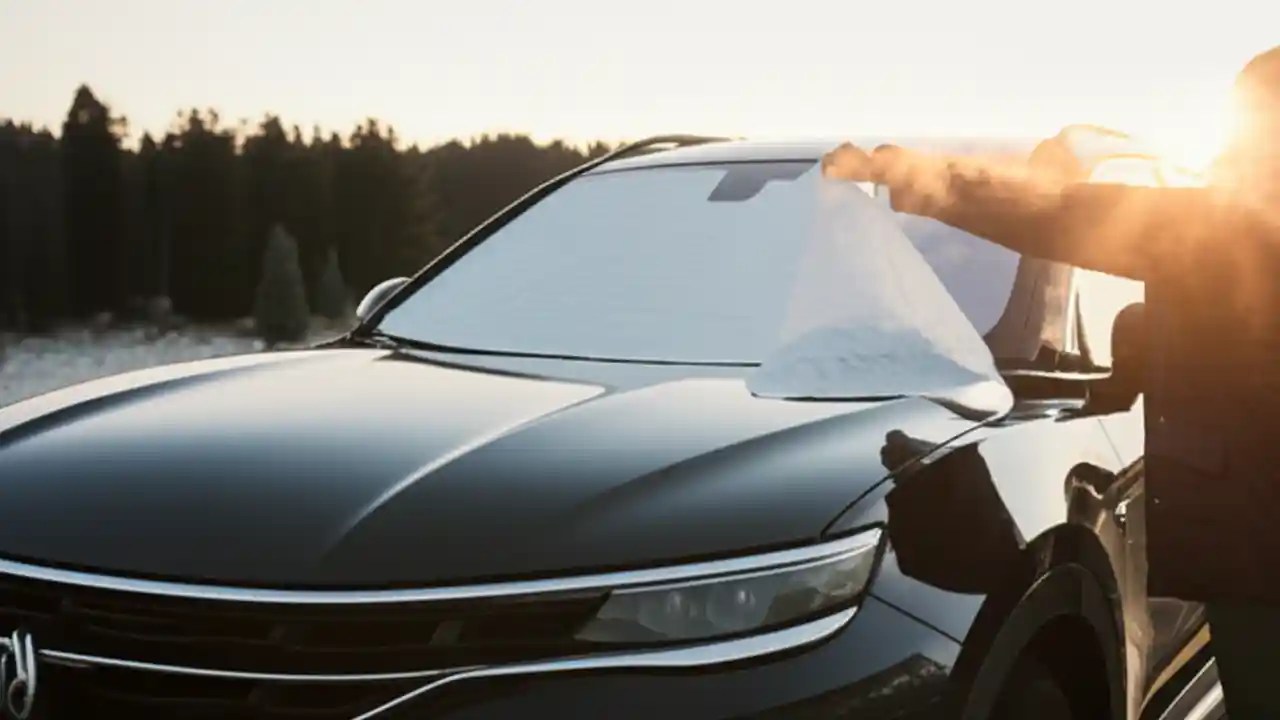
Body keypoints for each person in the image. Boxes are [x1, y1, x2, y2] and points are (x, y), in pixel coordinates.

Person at [822, 45, 1280, 718]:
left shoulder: (1223, 226)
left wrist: (908, 175)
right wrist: (1134, 365)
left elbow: (1056, 212)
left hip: (1257, 560)